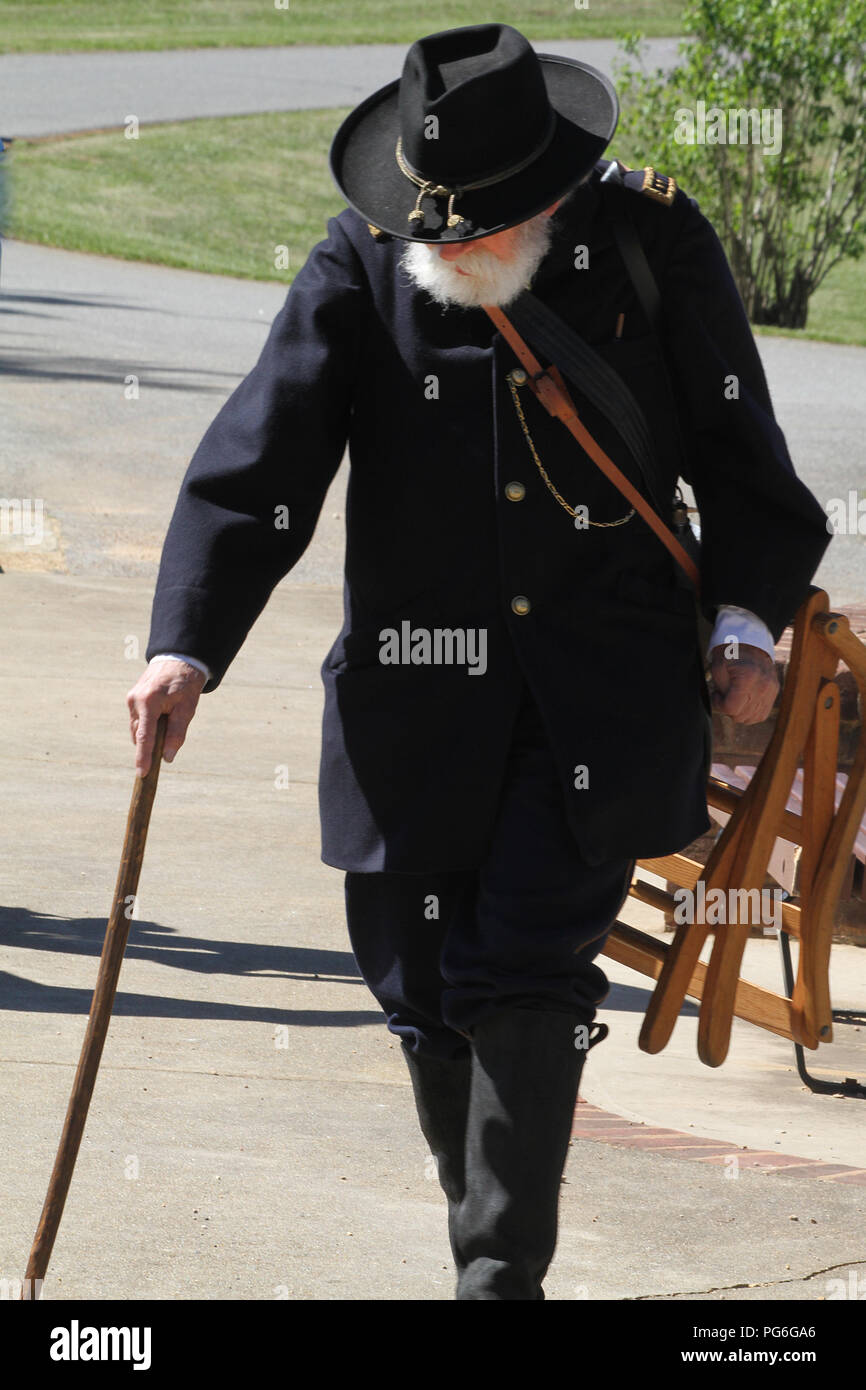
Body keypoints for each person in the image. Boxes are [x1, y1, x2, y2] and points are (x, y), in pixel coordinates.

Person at [126, 24, 830, 1299]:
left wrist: (741, 624)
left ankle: (497, 1280)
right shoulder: (364, 255)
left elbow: (745, 471)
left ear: (550, 189)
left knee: (521, 968)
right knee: (419, 983)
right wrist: (186, 644)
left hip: (597, 702)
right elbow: (266, 463)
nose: (443, 244)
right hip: (410, 706)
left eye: (476, 224)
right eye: (428, 218)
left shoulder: (650, 244)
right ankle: (488, 1237)